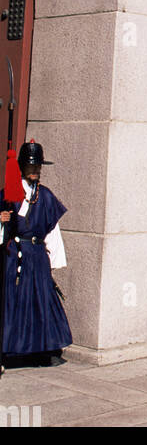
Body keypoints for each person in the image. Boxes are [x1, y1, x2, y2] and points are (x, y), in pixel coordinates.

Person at [0, 140, 72, 365]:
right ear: (22, 167)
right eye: (31, 167)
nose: (35, 171)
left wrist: (53, 261)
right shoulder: (8, 193)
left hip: (38, 257)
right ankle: (9, 351)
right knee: (14, 302)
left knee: (41, 301)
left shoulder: (47, 196)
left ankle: (44, 350)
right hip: (17, 257)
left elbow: (52, 230)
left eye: (38, 167)